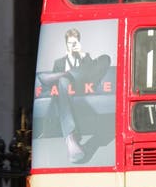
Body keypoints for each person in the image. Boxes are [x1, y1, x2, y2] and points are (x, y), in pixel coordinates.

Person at [37, 27, 111, 164]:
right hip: (66, 89)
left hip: (84, 83)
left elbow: (92, 74)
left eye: (75, 42)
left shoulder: (86, 57)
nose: (73, 45)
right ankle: (70, 139)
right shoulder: (59, 62)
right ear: (66, 44)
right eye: (70, 43)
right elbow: (56, 87)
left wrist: (83, 55)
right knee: (63, 81)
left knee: (105, 58)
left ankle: (65, 74)